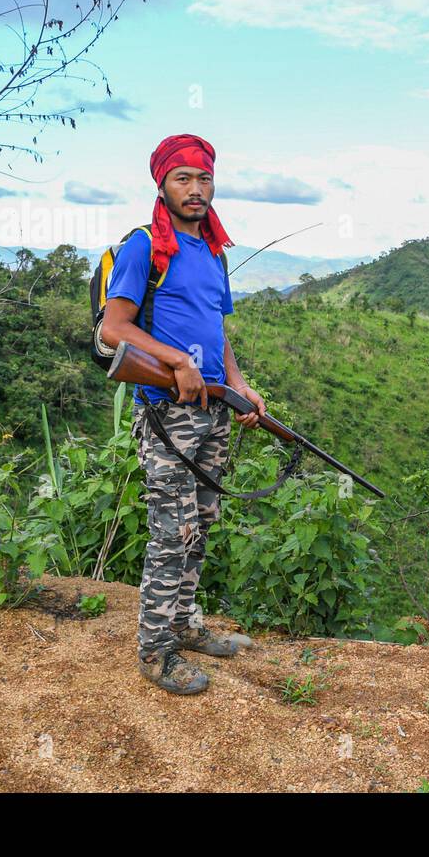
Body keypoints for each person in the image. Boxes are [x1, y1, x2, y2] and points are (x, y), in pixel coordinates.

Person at [100, 133, 266, 695]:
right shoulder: (146, 246)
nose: (195, 190)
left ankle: (184, 624)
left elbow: (217, 330)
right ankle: (155, 651)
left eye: (203, 179)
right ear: (162, 185)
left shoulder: (214, 251)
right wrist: (175, 361)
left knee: (203, 523)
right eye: (182, 179)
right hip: (167, 411)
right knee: (171, 530)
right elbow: (113, 327)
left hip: (213, 407)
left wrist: (239, 386)